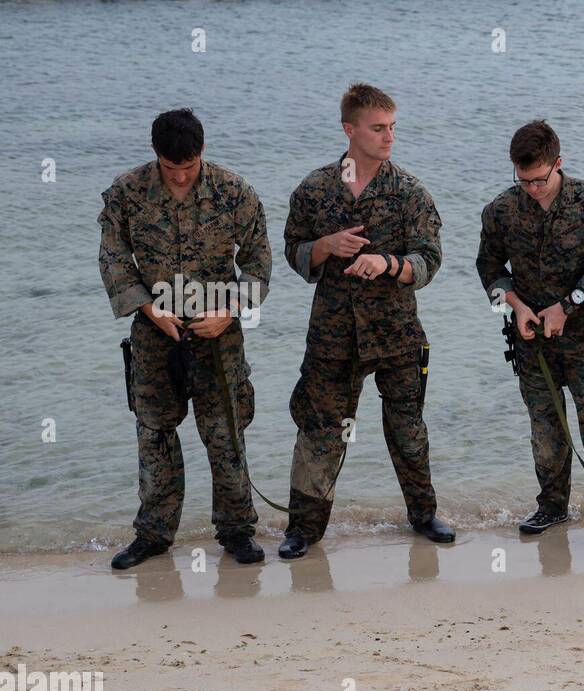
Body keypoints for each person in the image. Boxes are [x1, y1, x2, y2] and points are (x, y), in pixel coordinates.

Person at [279, 83, 454, 560]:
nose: (388, 136)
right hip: (333, 335)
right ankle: (303, 530)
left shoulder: (409, 191)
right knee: (319, 430)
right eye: (378, 128)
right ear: (350, 130)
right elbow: (293, 252)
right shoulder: (314, 190)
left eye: (393, 127)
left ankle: (423, 515)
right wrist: (324, 247)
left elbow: (430, 260)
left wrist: (389, 265)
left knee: (407, 428)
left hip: (396, 332)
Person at [98, 108, 271, 570]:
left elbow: (258, 267)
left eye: (188, 168)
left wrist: (229, 310)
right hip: (156, 334)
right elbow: (113, 258)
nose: (179, 177)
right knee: (154, 434)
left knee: (226, 435)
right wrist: (146, 307)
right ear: (156, 156)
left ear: (202, 153)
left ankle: (236, 532)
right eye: (170, 169)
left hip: (218, 336)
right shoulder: (127, 192)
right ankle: (153, 535)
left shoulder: (235, 193)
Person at [477, 120, 584, 555]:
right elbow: (489, 270)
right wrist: (516, 305)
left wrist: (567, 306)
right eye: (522, 179)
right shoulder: (501, 211)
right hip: (531, 341)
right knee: (546, 433)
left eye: (539, 179)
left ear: (558, 164)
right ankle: (552, 507)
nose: (531, 187)